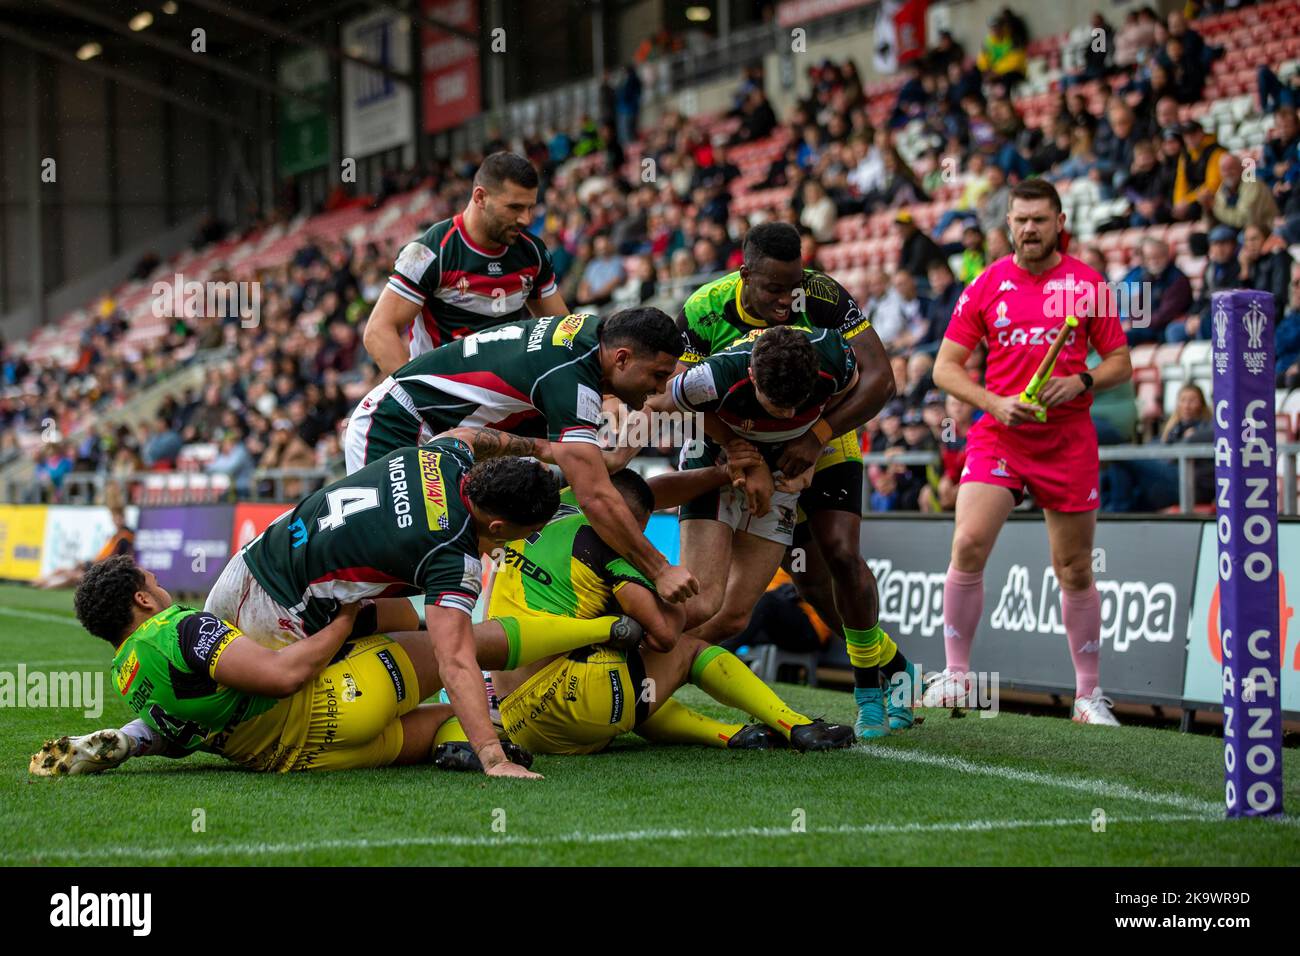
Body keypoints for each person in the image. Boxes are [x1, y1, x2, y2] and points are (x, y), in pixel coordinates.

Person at [659, 222, 904, 738]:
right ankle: (899, 668)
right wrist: (735, 449)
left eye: (794, 285)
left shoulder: (823, 298)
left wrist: (817, 437)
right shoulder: (705, 309)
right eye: (773, 289)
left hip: (818, 430)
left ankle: (872, 694)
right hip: (737, 439)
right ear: (744, 274)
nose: (787, 299)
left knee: (838, 555)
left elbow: (882, 380)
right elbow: (674, 396)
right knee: (804, 586)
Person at [928, 178, 1133, 725]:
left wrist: (1083, 381)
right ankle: (956, 676)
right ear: (1009, 224)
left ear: (1059, 222)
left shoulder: (1089, 285)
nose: (1029, 229)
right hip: (1001, 435)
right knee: (968, 542)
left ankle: (1088, 696)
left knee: (1073, 568)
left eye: (1039, 219)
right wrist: (992, 404)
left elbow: (1121, 363)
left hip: (1067, 441)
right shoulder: (986, 284)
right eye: (1020, 219)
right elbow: (944, 368)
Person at [478, 469, 853, 756]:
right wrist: (666, 592)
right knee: (686, 650)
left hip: (518, 721)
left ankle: (729, 735)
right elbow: (664, 635)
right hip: (575, 706)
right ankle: (797, 725)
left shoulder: (539, 508)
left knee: (636, 681)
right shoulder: (610, 537)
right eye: (638, 528)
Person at [345, 308, 700, 605]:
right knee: (384, 570)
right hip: (396, 425)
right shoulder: (570, 375)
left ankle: (482, 663)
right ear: (622, 358)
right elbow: (595, 497)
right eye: (657, 375)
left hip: (449, 440)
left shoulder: (591, 339)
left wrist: (620, 451)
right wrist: (660, 570)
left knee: (483, 546)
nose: (658, 388)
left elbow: (656, 402)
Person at [362, 152, 570, 374]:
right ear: (480, 198)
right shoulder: (430, 253)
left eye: (530, 207)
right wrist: (416, 400)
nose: (526, 219)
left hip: (509, 394)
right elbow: (377, 331)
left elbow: (565, 334)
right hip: (447, 398)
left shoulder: (532, 253)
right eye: (515, 207)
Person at [1101, 384, 1213, 513]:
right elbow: (1154, 446)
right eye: (1183, 400)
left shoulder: (1205, 429)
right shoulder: (1171, 430)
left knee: (1121, 453)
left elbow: (1175, 454)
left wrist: (1188, 438)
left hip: (1185, 482)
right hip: (1164, 475)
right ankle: (1110, 511)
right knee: (1119, 467)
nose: (1187, 406)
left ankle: (1117, 511)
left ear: (1202, 404)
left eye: (1192, 401)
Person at [33, 505, 134, 591]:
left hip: (104, 569)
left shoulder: (125, 536)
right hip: (98, 565)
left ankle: (45, 587)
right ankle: (40, 581)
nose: (116, 521)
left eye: (118, 518)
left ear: (123, 518)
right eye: (114, 518)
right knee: (63, 571)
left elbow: (113, 558)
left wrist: (90, 564)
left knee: (73, 577)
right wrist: (88, 562)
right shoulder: (115, 535)